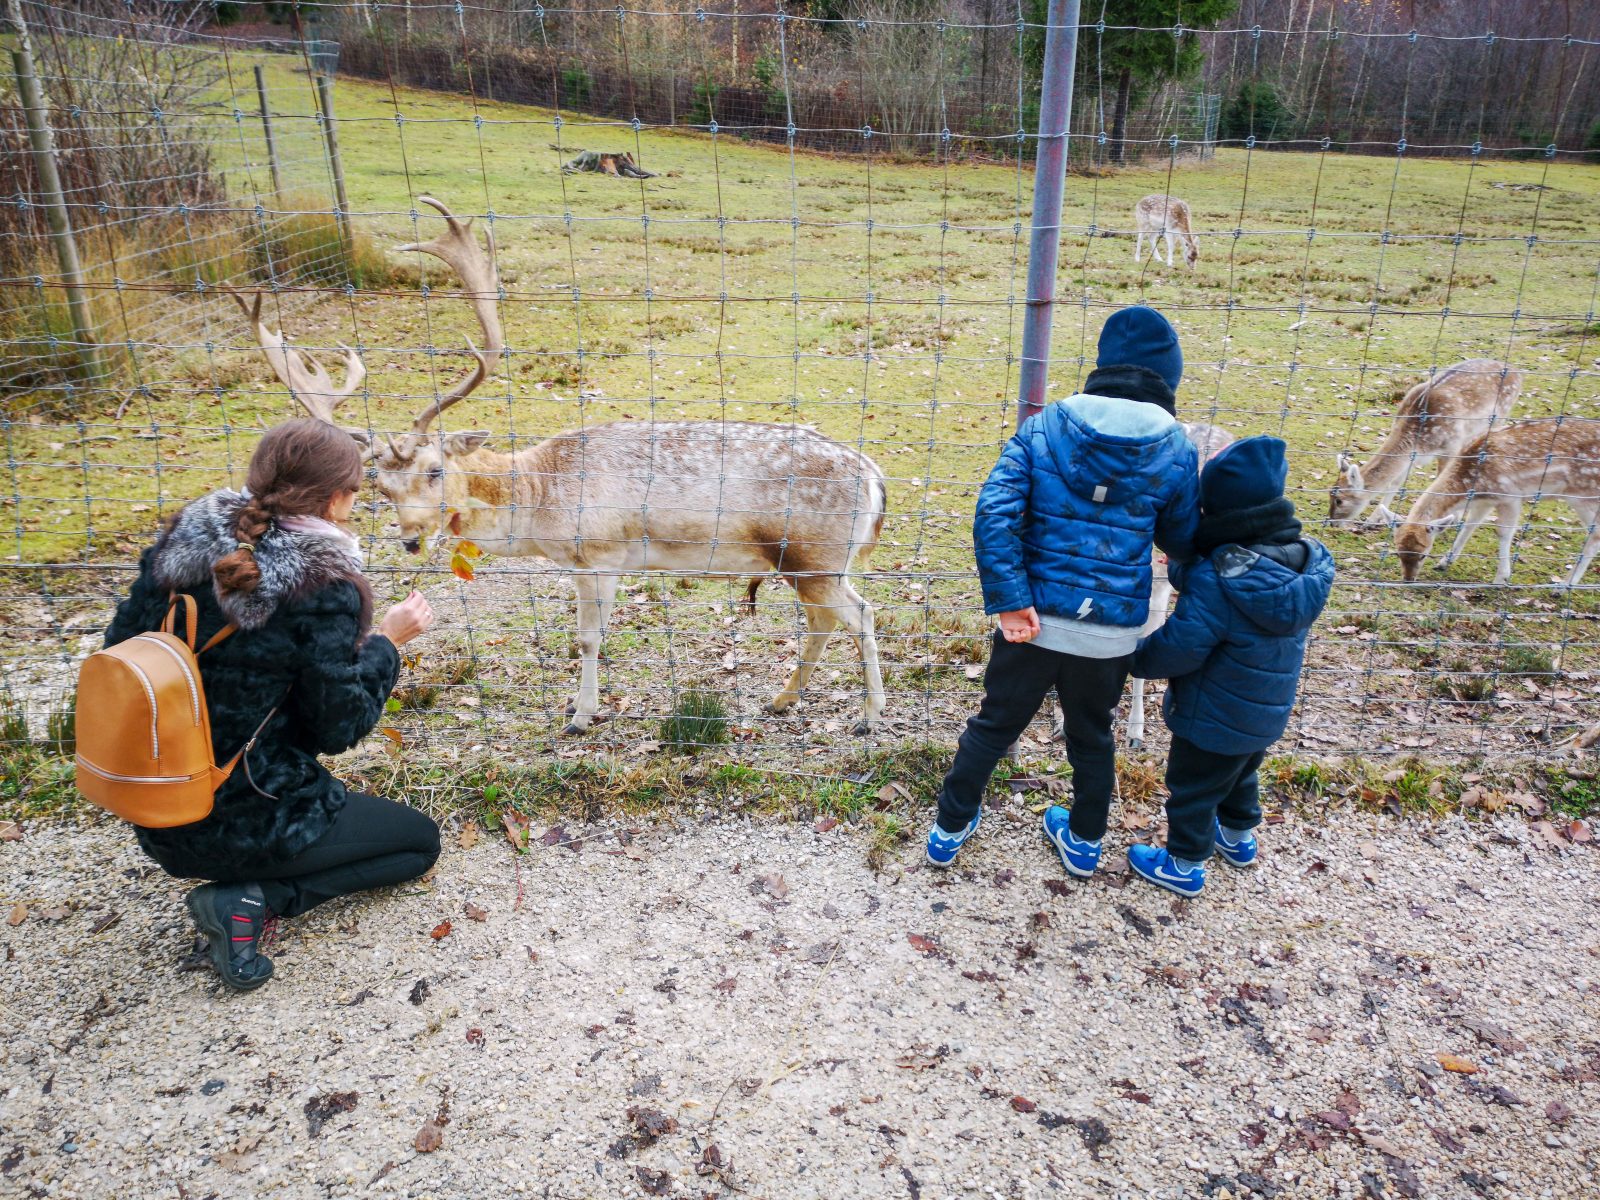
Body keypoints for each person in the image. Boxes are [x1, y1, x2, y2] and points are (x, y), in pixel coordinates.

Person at [104, 419, 440, 991]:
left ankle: (243, 886)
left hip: (151, 796)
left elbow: (120, 649)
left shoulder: (180, 543)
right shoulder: (321, 586)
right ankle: (252, 898)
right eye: (356, 492)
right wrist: (386, 642)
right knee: (417, 843)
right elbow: (342, 725)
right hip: (244, 816)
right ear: (337, 498)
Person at [925, 305, 1201, 876]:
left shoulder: (1045, 427)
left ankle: (949, 828)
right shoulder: (1176, 449)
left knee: (995, 724)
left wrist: (1008, 598)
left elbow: (994, 514)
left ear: (1103, 363)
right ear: (1166, 378)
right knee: (1092, 734)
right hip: (1110, 632)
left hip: (1032, 621)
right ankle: (1084, 840)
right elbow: (1180, 538)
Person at [1126, 435, 1334, 896]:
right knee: (1241, 775)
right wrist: (1187, 569)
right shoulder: (1301, 566)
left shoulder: (1217, 585)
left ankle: (1183, 863)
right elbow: (1219, 580)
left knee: (1194, 787)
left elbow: (1182, 646)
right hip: (1265, 714)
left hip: (1211, 716)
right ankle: (1238, 839)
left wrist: (1131, 658)